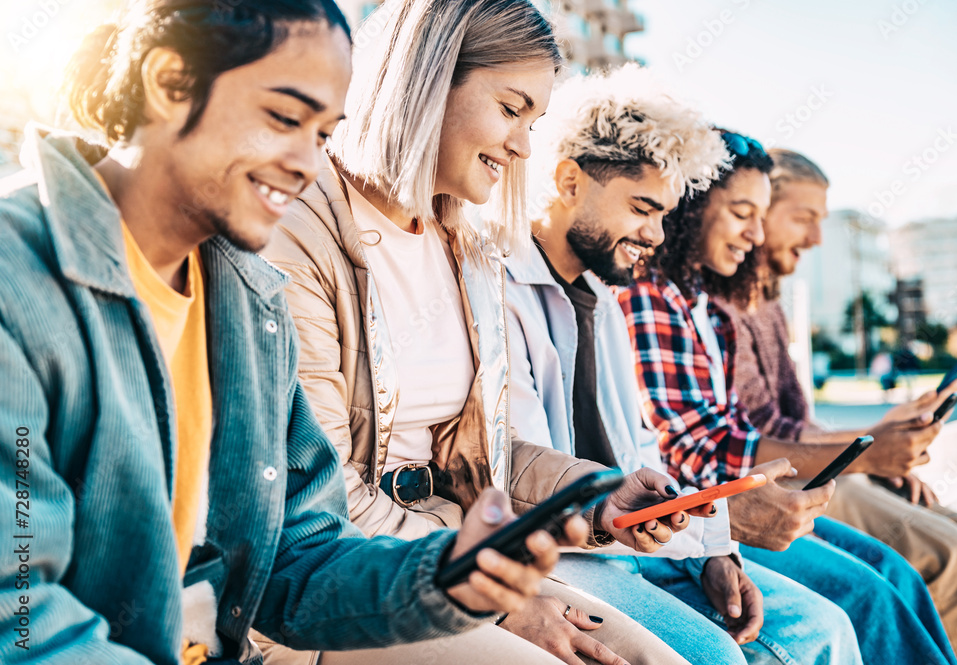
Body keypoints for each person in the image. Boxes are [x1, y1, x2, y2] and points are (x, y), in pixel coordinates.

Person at [0, 2, 578, 663]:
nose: (307, 162)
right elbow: (19, 620)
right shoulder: (18, 282)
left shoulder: (249, 305)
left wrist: (446, 574)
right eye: (283, 118)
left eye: (324, 134)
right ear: (168, 83)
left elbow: (296, 557)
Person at [255, 2, 695, 664]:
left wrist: (602, 496)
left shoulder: (470, 245)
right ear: (429, 83)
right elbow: (326, 494)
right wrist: (493, 593)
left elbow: (490, 455)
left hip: (459, 551)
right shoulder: (301, 228)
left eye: (534, 121)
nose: (524, 145)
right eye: (511, 108)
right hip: (346, 582)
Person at [503, 65, 864, 665]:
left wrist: (713, 554)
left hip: (636, 545)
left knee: (823, 628)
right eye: (643, 208)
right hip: (562, 555)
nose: (655, 234)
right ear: (569, 182)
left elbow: (643, 452)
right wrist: (721, 527)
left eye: (665, 215)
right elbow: (523, 481)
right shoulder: (501, 291)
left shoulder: (607, 296)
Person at [620, 130, 957, 665]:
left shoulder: (703, 306)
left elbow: (771, 421)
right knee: (871, 596)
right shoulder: (658, 295)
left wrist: (873, 445)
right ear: (694, 206)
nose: (754, 234)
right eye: (742, 213)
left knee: (895, 575)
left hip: (734, 502)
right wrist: (868, 452)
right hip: (709, 514)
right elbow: (701, 449)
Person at [721, 147, 957, 664]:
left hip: (814, 470)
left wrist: (875, 450)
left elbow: (793, 420)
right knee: (951, 556)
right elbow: (749, 439)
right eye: (803, 219)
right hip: (781, 482)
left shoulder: (767, 303)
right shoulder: (717, 305)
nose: (815, 238)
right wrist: (869, 453)